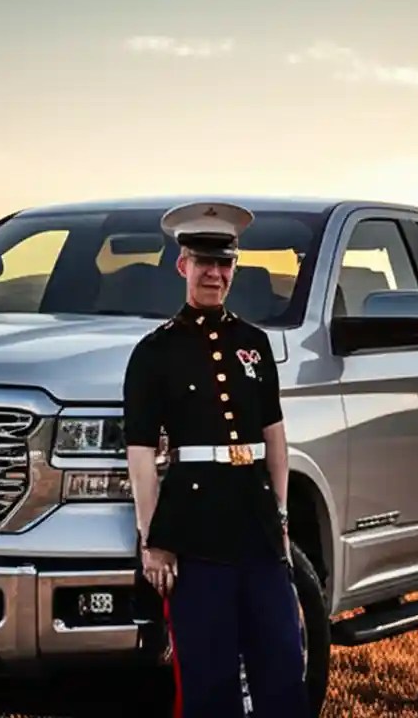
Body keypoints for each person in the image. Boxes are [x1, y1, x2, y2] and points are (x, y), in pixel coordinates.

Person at [123, 200, 310, 717]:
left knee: (282, 664)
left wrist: (282, 516)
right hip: (194, 531)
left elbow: (274, 436)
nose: (214, 273)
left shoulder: (253, 343)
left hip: (257, 525)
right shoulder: (154, 352)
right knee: (209, 680)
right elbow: (140, 452)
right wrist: (152, 540)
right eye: (203, 262)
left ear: (235, 266)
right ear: (182, 265)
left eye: (224, 262)